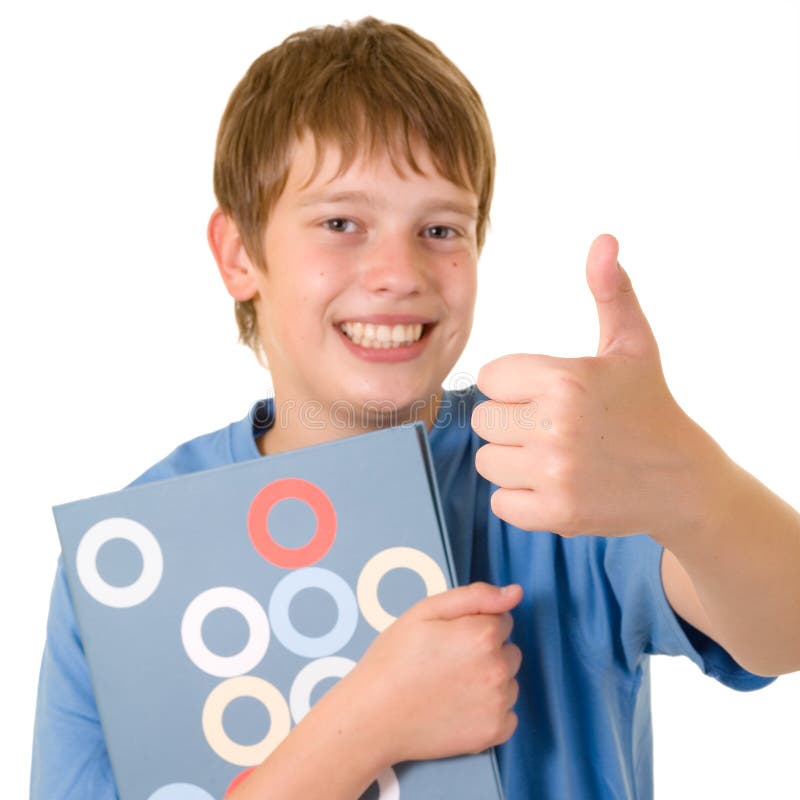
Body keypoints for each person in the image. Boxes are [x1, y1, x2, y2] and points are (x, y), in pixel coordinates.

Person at [31, 16, 800, 800]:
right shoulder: (127, 549)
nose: (398, 273)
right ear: (239, 254)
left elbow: (786, 628)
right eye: (341, 223)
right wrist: (368, 725)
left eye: (439, 228)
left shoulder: (555, 472)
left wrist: (690, 480)